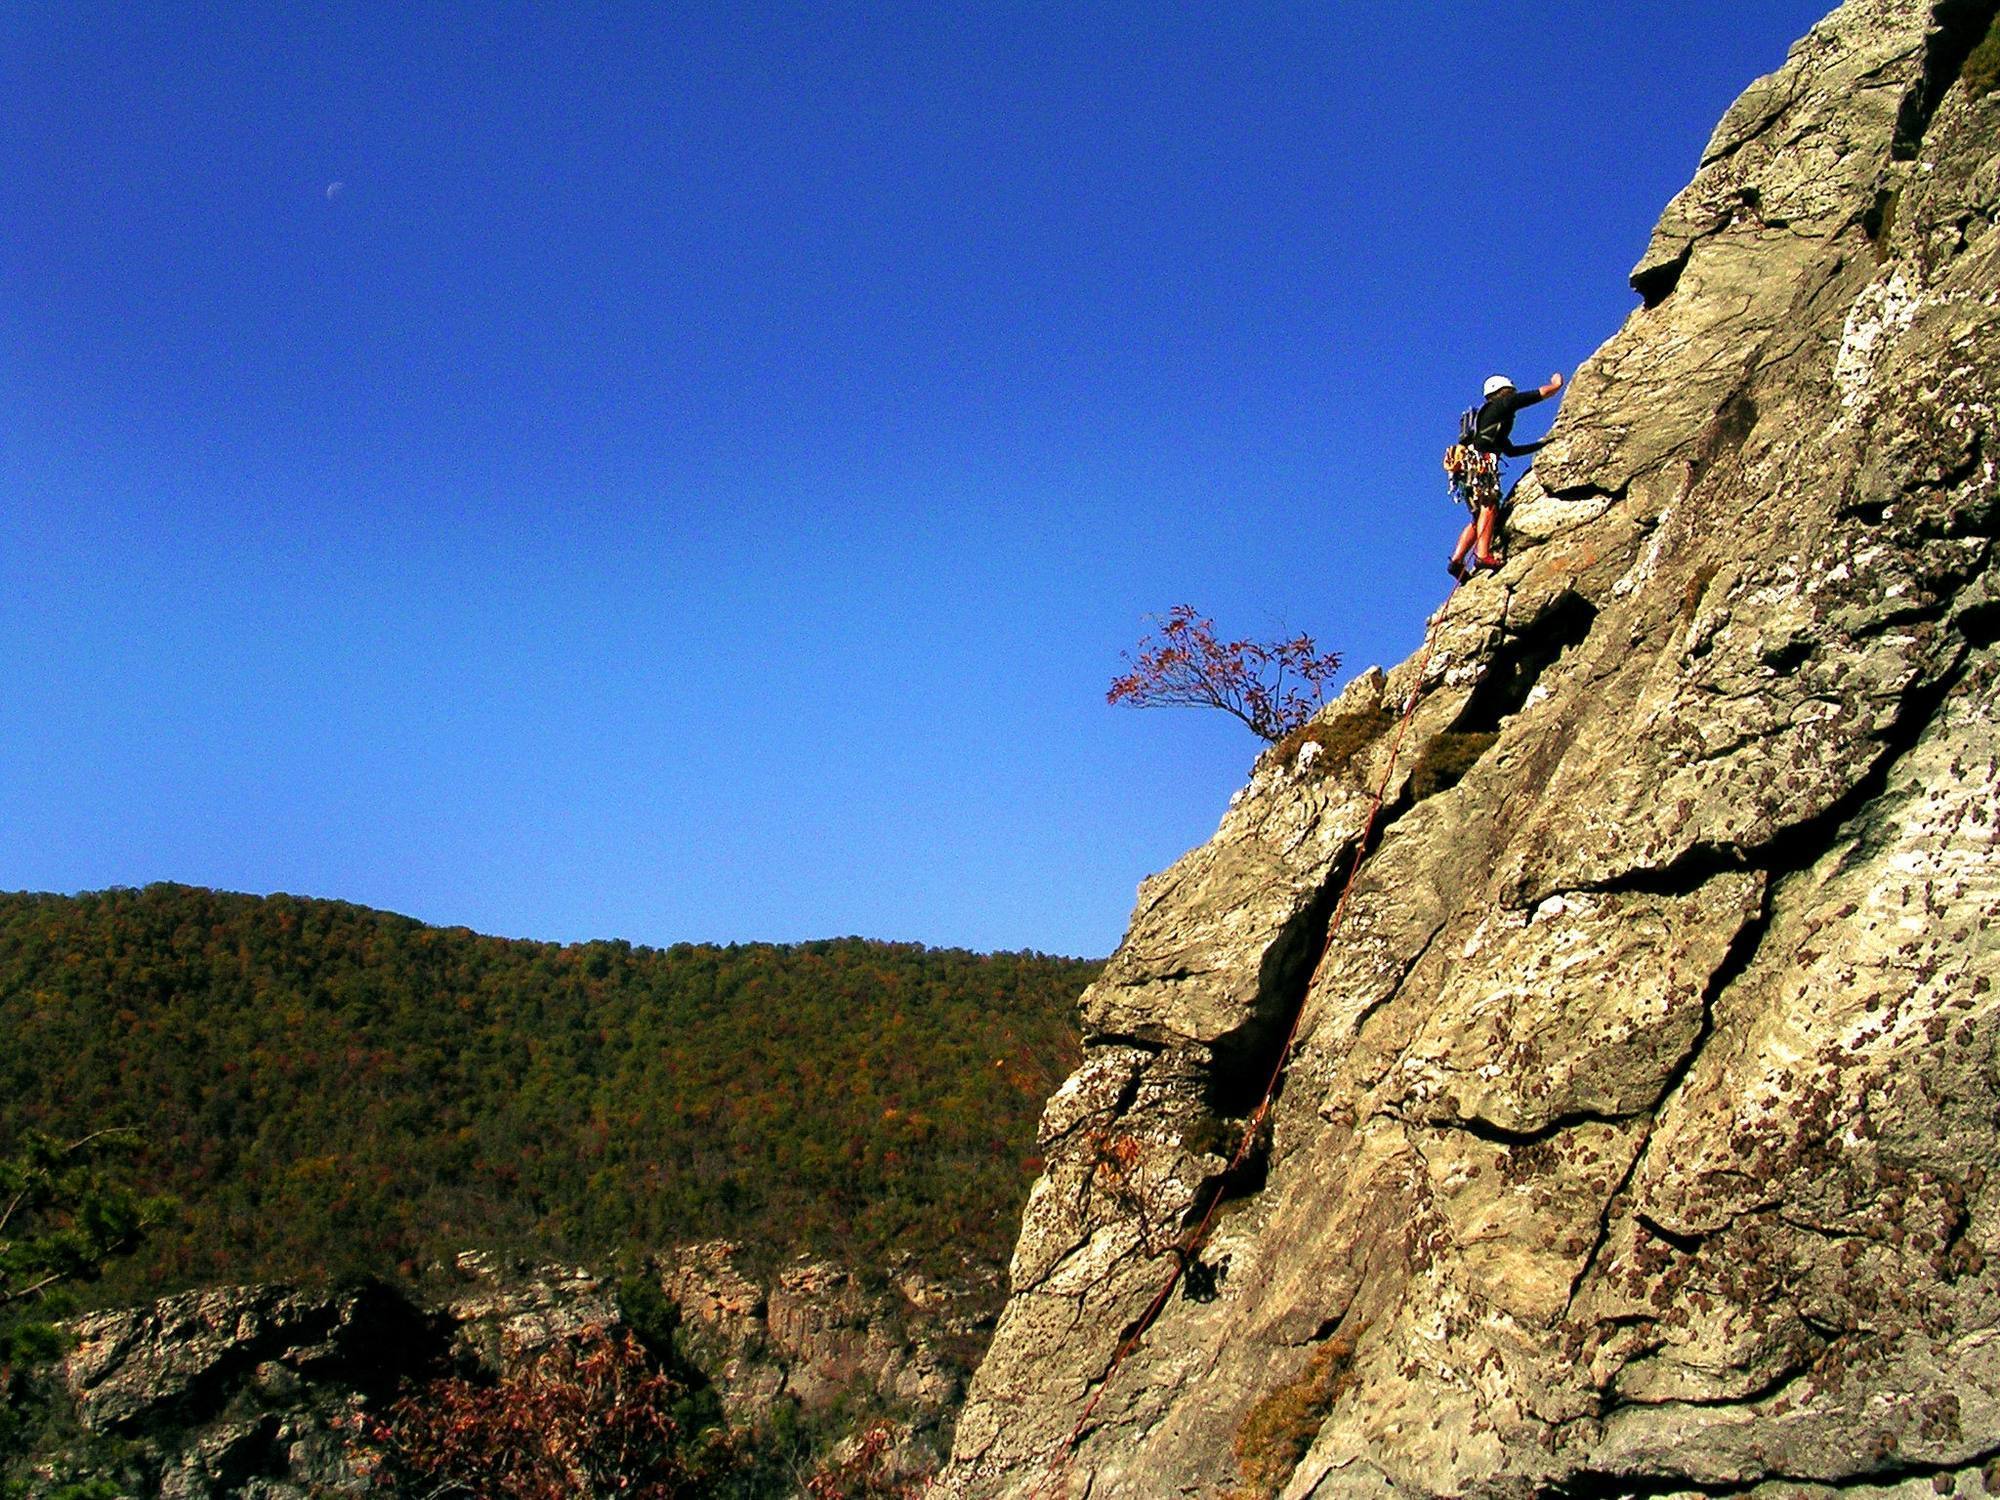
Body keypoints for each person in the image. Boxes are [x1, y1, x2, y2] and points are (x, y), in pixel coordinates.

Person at [1448, 371, 1564, 580]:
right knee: (1489, 506)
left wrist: (1541, 445)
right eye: (1510, 392)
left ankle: (1457, 560)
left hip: (1466, 468)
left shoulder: (1490, 421)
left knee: (1478, 517)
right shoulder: (1502, 404)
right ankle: (1482, 555)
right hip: (1481, 464)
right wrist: (1555, 386)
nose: (1512, 394)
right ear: (1504, 392)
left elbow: (1510, 451)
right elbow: (1534, 396)